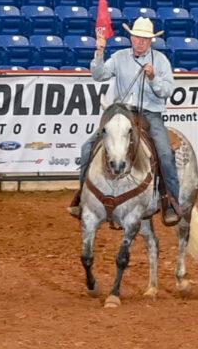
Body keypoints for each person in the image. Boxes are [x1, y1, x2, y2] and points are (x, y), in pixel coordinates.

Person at [73, 16, 180, 224]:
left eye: (145, 39)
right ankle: (83, 197)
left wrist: (153, 78)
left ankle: (171, 202)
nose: (140, 42)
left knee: (165, 154)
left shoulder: (161, 61)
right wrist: (100, 52)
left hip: (150, 114)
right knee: (87, 148)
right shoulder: (119, 57)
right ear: (131, 38)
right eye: (137, 37)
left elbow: (166, 91)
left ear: (151, 41)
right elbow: (99, 75)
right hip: (122, 113)